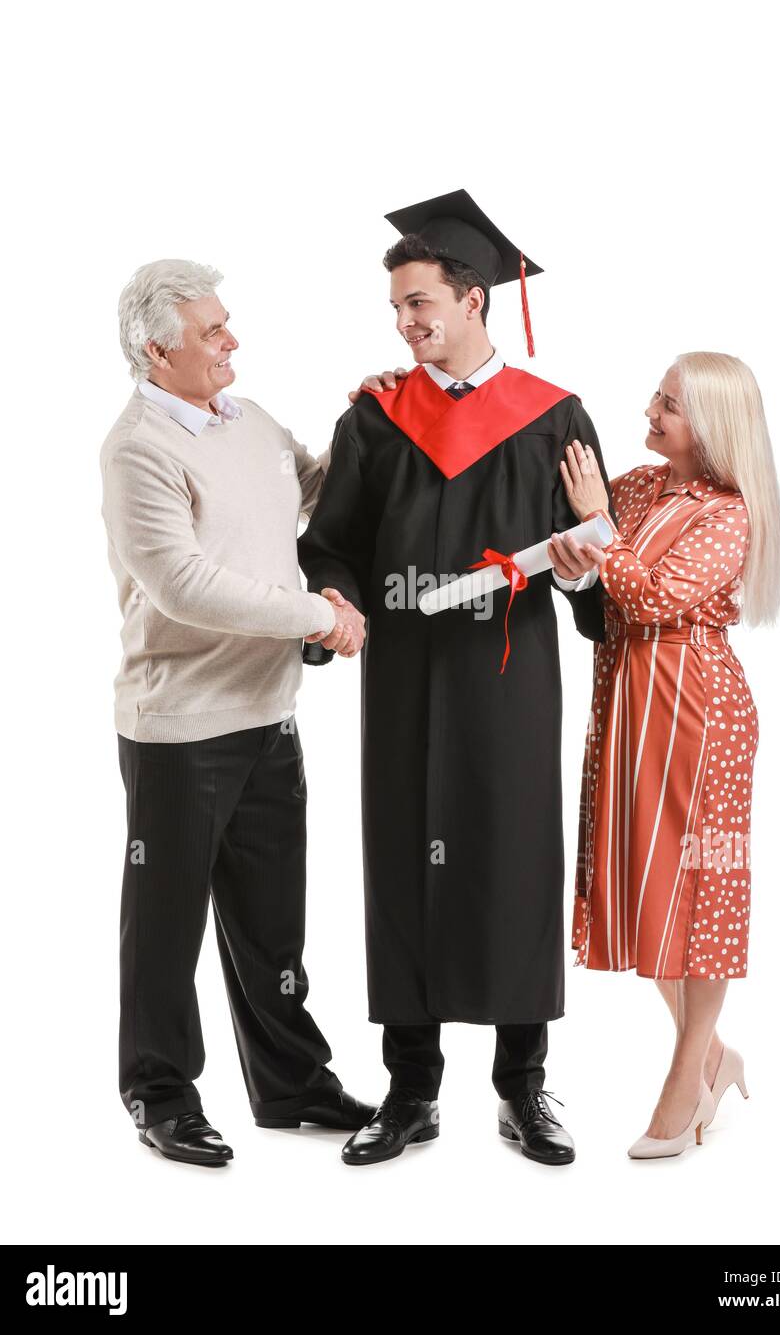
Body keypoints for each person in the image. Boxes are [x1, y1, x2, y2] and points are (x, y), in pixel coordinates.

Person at [297, 190, 616, 1166]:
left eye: (421, 304)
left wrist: (590, 566)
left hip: (508, 685)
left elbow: (599, 573)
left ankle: (524, 1087)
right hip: (402, 680)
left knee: (513, 860)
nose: (405, 324)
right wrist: (335, 602)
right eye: (397, 309)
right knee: (404, 864)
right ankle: (410, 1091)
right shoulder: (377, 420)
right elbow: (331, 546)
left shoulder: (553, 419)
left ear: (475, 299)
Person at [100, 258, 373, 1166]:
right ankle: (161, 1093)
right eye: (211, 331)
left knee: (270, 921)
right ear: (156, 349)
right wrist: (316, 617)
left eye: (227, 323)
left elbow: (308, 489)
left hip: (267, 712)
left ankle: (289, 1084)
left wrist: (364, 423)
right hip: (181, 726)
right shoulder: (138, 448)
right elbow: (180, 584)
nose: (231, 341)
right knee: (166, 924)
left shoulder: (247, 421)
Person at [559, 351, 780, 1158]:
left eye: (670, 407)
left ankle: (686, 1075)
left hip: (698, 708)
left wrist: (594, 534)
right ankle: (714, 1058)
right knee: (642, 885)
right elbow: (597, 573)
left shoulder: (730, 512)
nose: (650, 413)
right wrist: (573, 562)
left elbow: (653, 595)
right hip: (624, 699)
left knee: (701, 889)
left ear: (713, 426)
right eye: (655, 397)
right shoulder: (636, 486)